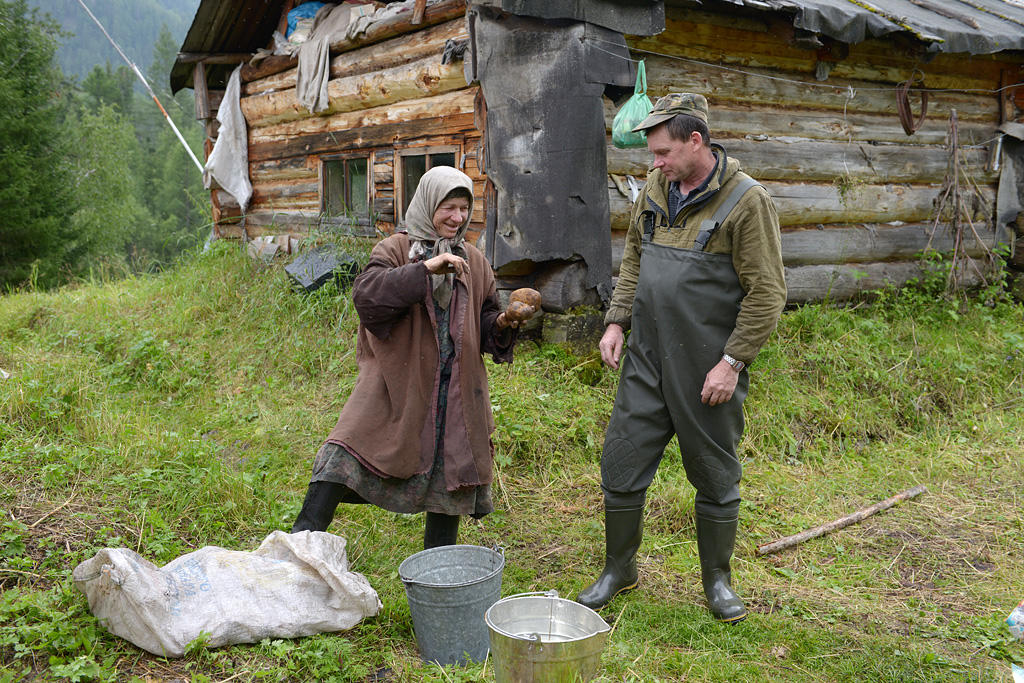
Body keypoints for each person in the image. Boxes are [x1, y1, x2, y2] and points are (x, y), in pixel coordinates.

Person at [576, 93, 787, 623]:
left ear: (697, 141)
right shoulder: (657, 187)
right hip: (646, 355)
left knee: (715, 473)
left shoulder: (745, 200)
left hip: (706, 365)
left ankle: (718, 582)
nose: (656, 163)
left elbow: (768, 292)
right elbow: (635, 254)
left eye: (664, 152)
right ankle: (618, 569)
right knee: (621, 460)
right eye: (653, 154)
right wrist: (616, 319)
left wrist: (732, 362)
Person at [291, 166, 535, 549]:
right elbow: (367, 298)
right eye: (448, 208)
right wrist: (424, 269)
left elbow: (484, 322)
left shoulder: (474, 260)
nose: (457, 218)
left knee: (449, 476)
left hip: (455, 390)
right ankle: (295, 551)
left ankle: (433, 575)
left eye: (463, 209)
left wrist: (504, 320)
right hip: (396, 382)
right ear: (427, 204)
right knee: (341, 455)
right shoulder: (395, 249)